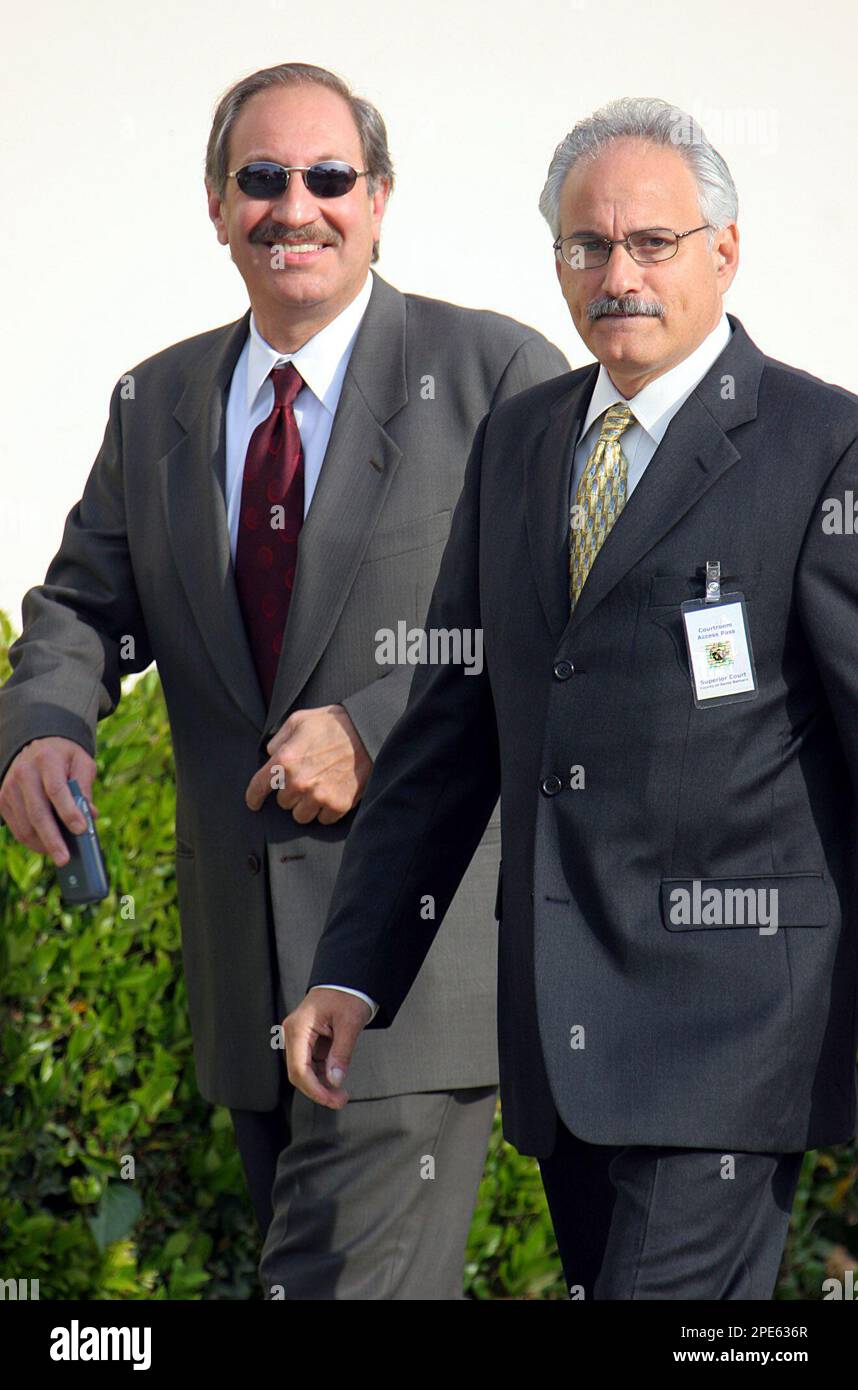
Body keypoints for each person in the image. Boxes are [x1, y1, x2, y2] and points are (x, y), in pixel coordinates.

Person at [0, 62, 568, 1300]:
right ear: (216, 205)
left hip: (411, 980)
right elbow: (85, 607)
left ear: (378, 199)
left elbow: (563, 627)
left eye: (328, 177)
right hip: (242, 981)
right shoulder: (157, 403)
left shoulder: (496, 376)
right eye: (262, 179)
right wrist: (44, 724)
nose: (294, 206)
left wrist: (375, 731)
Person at [284, 95, 858, 1300]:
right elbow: (449, 725)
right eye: (587, 246)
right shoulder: (523, 440)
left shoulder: (824, 448)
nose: (619, 273)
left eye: (652, 243)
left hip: (730, 1045)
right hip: (563, 1041)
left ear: (724, 251)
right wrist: (355, 968)